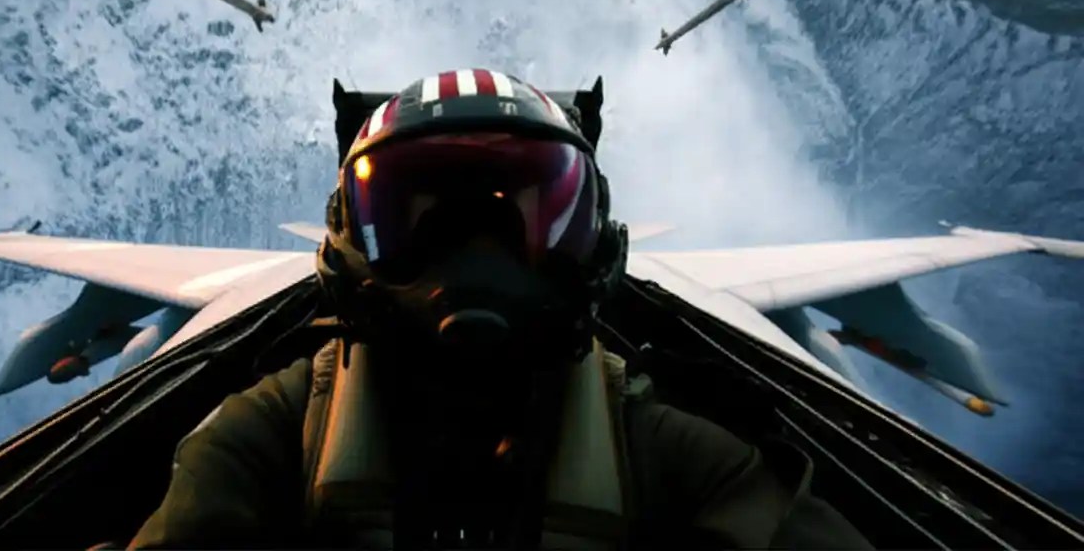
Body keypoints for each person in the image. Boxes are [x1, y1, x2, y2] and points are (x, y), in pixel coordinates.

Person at [129, 70, 871, 550]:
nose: (474, 262)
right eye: (426, 218)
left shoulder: (269, 433)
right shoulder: (272, 434)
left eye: (517, 217)